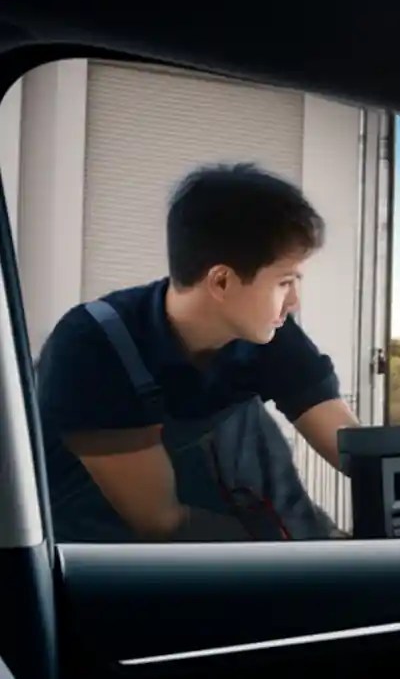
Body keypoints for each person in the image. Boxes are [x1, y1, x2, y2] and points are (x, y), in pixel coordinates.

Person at [36, 162, 360, 542]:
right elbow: (160, 521)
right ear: (221, 281)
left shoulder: (268, 334)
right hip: (100, 560)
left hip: (236, 545)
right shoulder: (92, 346)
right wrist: (295, 556)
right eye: (284, 282)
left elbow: (351, 450)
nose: (294, 302)